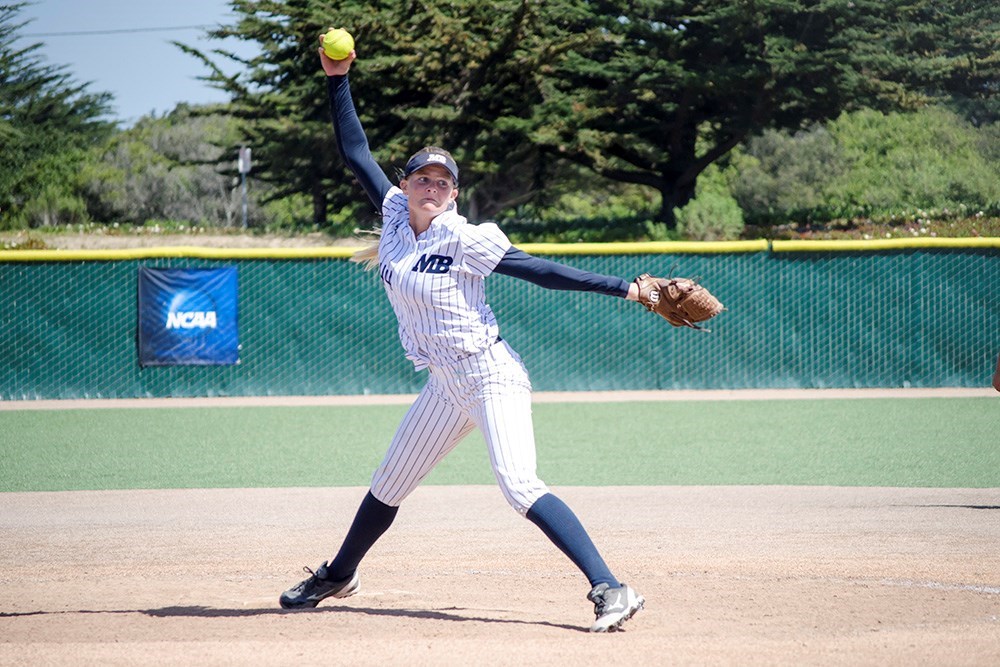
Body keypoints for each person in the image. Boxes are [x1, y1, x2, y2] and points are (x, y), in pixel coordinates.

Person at [279, 32, 649, 633]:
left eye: (442, 181)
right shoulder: (395, 216)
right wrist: (337, 77)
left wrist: (626, 288)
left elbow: (541, 271)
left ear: (455, 192)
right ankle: (339, 574)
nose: (431, 186)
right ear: (406, 185)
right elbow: (354, 151)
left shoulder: (467, 236)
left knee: (520, 486)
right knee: (388, 484)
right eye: (421, 178)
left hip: (489, 372)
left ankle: (612, 586)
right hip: (444, 384)